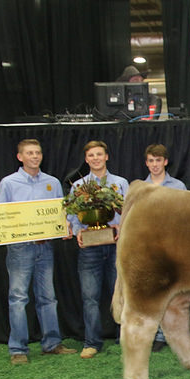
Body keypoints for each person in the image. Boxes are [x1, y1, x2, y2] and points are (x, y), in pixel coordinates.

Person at [0, 139, 77, 364]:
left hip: (45, 246)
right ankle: (18, 349)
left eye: (37, 152)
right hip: (20, 248)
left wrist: (65, 226)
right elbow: (1, 215)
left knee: (48, 297)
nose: (35, 156)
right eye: (29, 153)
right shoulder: (9, 183)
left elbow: (61, 213)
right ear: (20, 157)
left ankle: (52, 343)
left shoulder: (53, 183)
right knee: (18, 297)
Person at [68, 140, 129, 359]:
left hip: (116, 246)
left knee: (121, 294)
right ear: (86, 159)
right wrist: (77, 231)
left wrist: (121, 226)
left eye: (99, 154)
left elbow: (130, 211)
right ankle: (92, 342)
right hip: (90, 247)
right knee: (90, 297)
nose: (95, 158)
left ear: (106, 157)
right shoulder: (78, 187)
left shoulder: (120, 184)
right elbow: (72, 215)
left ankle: (125, 339)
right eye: (91, 155)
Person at [141, 143, 187, 351]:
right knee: (152, 292)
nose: (155, 165)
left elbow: (186, 217)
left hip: (174, 245)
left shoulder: (178, 187)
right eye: (151, 161)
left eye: (158, 160)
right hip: (149, 247)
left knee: (174, 292)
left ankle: (169, 335)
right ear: (146, 163)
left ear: (165, 162)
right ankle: (154, 334)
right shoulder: (140, 189)